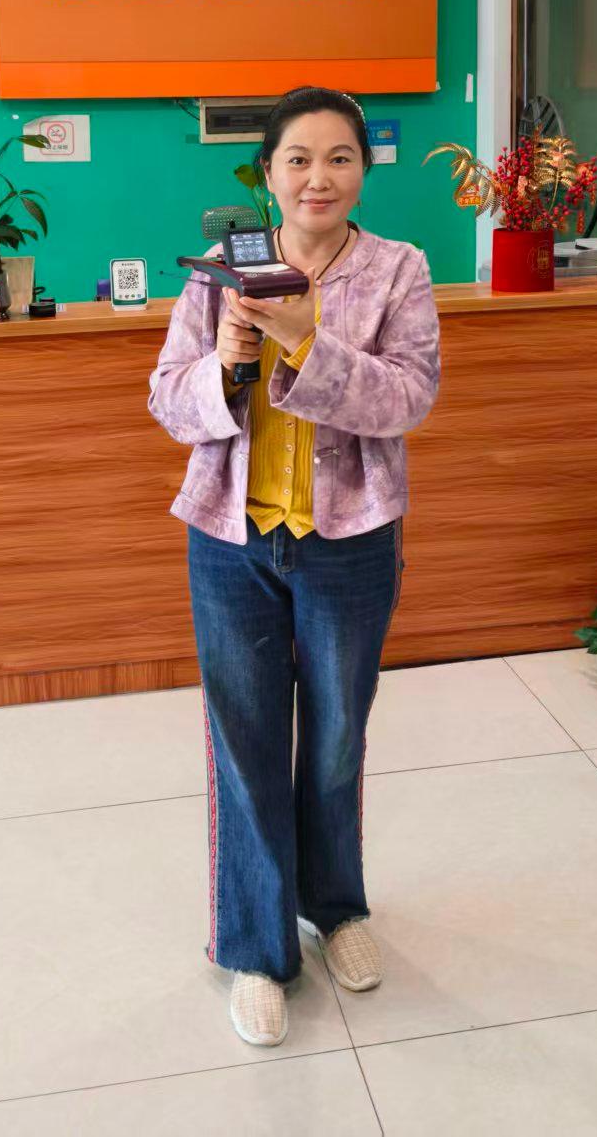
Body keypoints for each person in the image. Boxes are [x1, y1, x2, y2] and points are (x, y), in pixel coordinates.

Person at [148, 85, 441, 1047]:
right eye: (298, 159)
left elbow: (407, 400)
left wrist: (303, 341)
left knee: (335, 739)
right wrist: (229, 363)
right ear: (266, 174)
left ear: (363, 170)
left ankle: (336, 909)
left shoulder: (398, 269)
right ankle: (257, 949)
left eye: (339, 158)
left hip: (349, 541)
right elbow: (168, 403)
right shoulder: (217, 278)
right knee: (245, 745)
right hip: (230, 541)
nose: (319, 177)